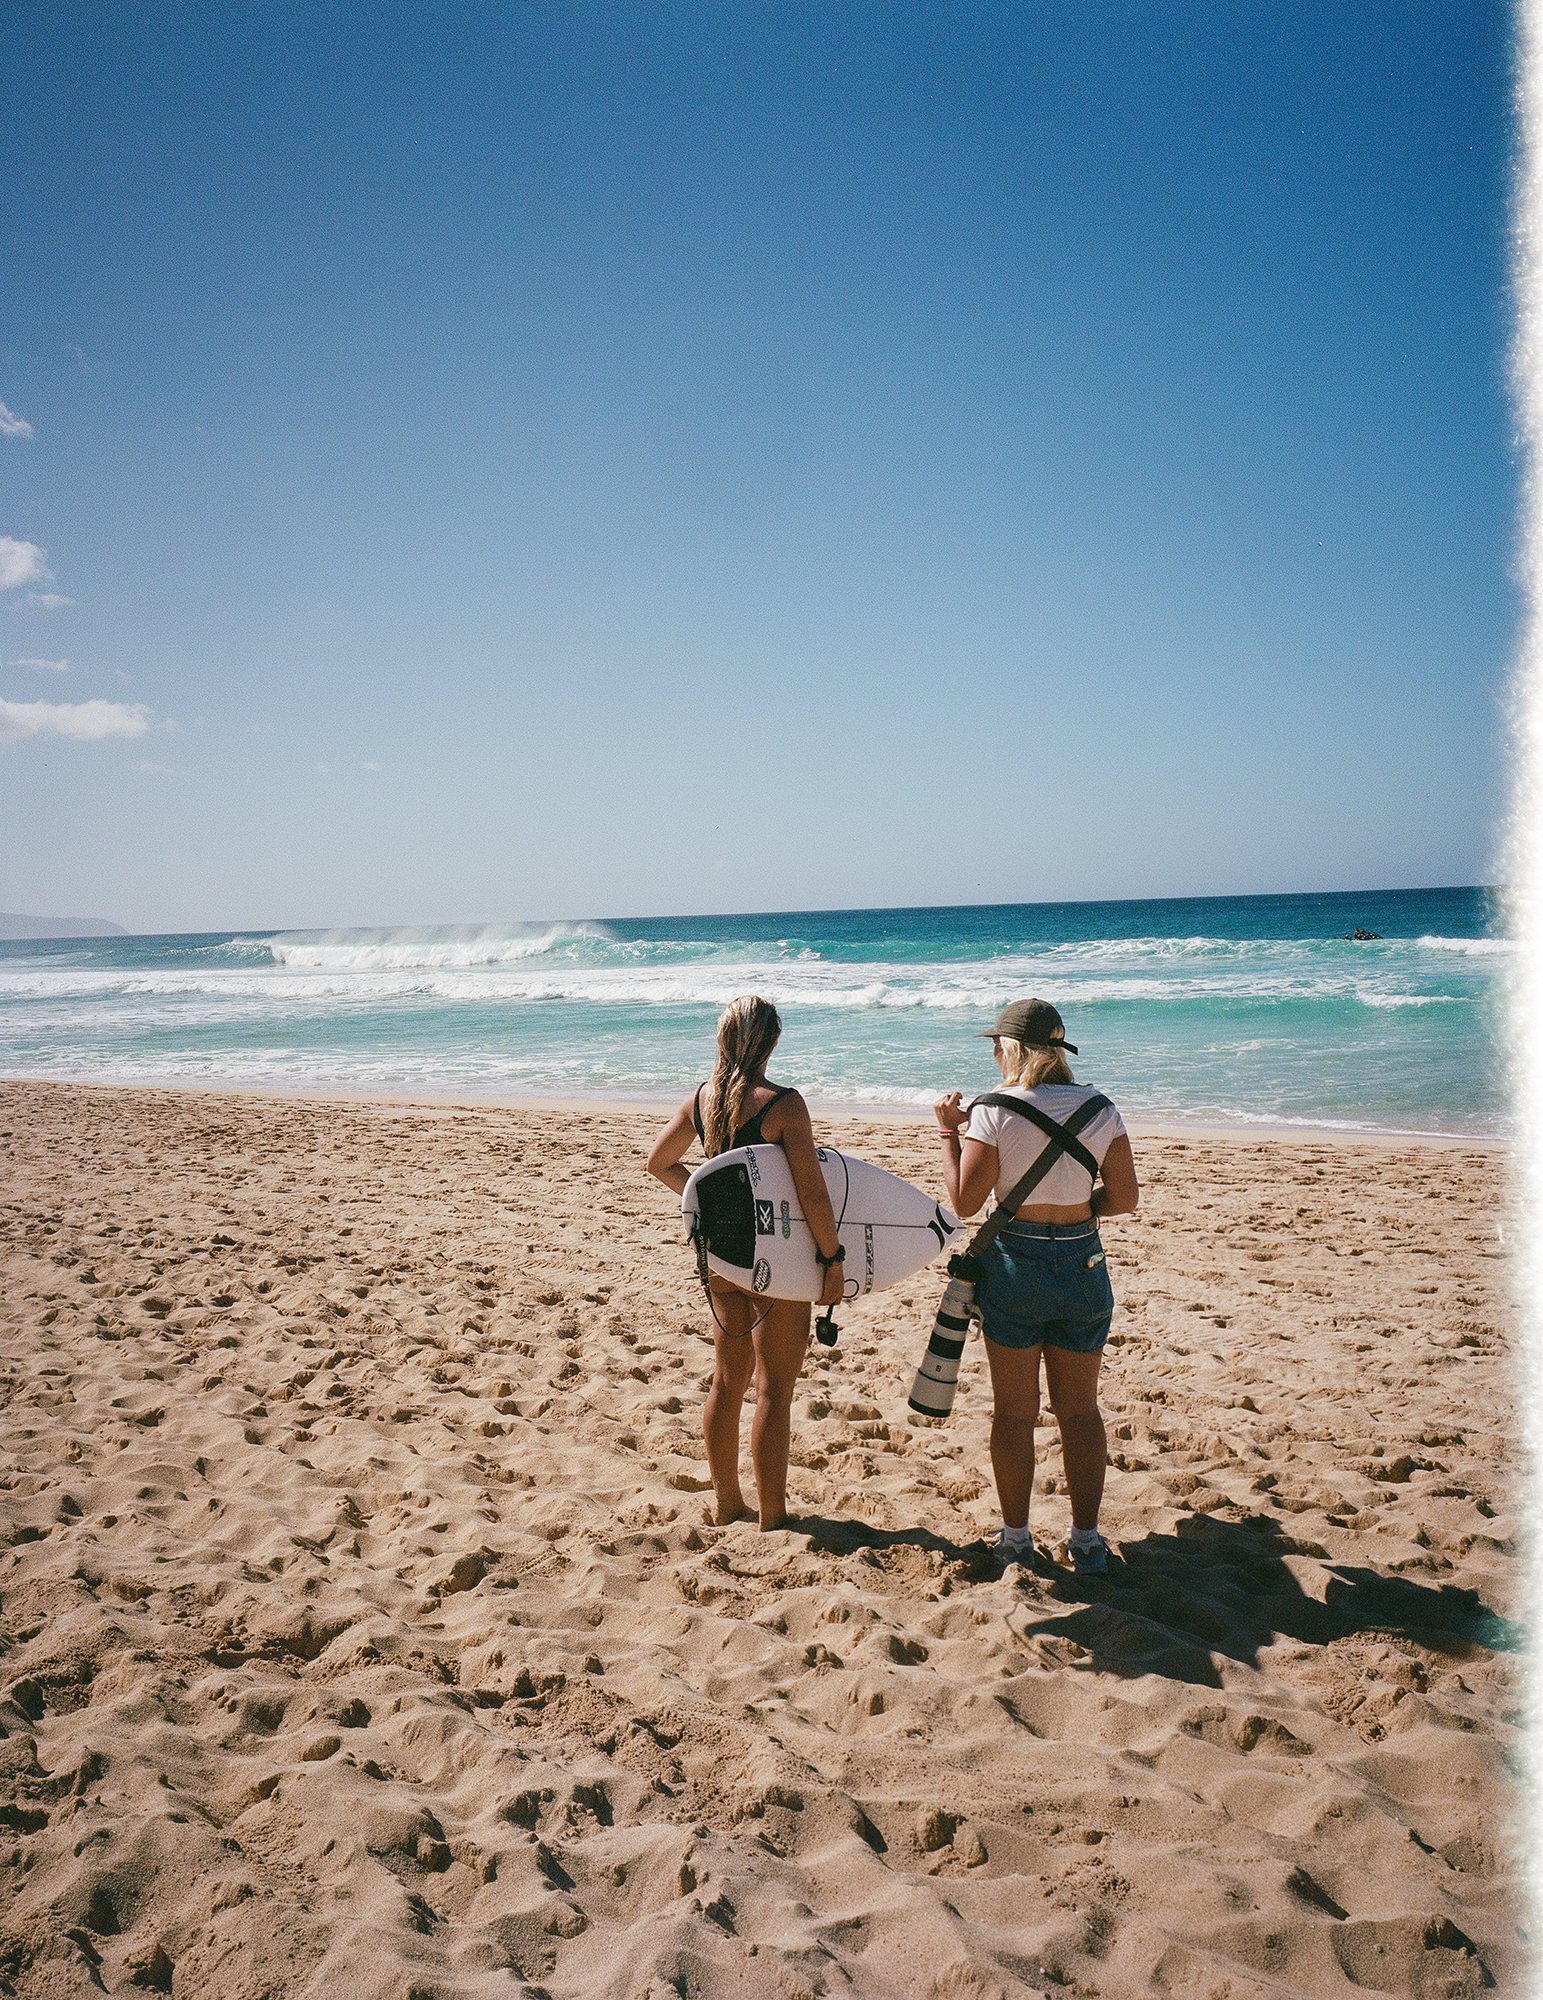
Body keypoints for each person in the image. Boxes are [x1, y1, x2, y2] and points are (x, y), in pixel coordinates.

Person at [933, 999, 1139, 1576]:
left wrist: (949, 1132)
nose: (993, 1054)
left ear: (1013, 1050)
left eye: (996, 1044)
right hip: (1081, 1264)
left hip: (1015, 1265)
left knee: (1014, 1414)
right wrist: (1077, 1207)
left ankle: (1017, 1539)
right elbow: (1124, 1199)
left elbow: (966, 1203)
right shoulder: (1100, 1108)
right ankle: (1088, 1541)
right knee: (1080, 1413)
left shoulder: (993, 1110)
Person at [647, 995, 845, 1532]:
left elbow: (658, 1161)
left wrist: (705, 1202)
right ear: (771, 1042)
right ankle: (773, 1516)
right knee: (774, 1392)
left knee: (725, 1384)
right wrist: (831, 1259)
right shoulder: (783, 1105)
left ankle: (727, 1502)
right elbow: (814, 1195)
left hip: (721, 1258)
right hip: (776, 1261)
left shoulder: (703, 1099)